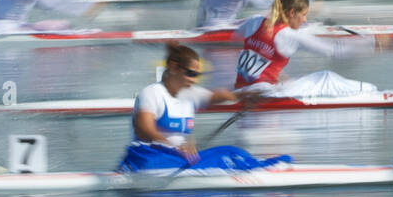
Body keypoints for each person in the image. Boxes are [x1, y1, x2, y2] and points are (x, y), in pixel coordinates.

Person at [116, 43, 281, 172]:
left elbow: (219, 95)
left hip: (177, 160)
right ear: (173, 67)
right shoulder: (151, 93)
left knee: (233, 152)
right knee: (226, 157)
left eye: (197, 75)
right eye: (191, 73)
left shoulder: (190, 94)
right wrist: (174, 146)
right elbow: (143, 129)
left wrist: (245, 96)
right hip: (148, 158)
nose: (194, 80)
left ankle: (260, 166)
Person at [232, 0, 384, 96]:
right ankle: (374, 92)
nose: (305, 20)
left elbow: (241, 42)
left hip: (241, 90)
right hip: (265, 95)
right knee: (326, 77)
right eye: (304, 15)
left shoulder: (254, 21)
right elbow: (334, 50)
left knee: (293, 81)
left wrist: (273, 73)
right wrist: (372, 42)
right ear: (292, 13)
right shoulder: (289, 35)